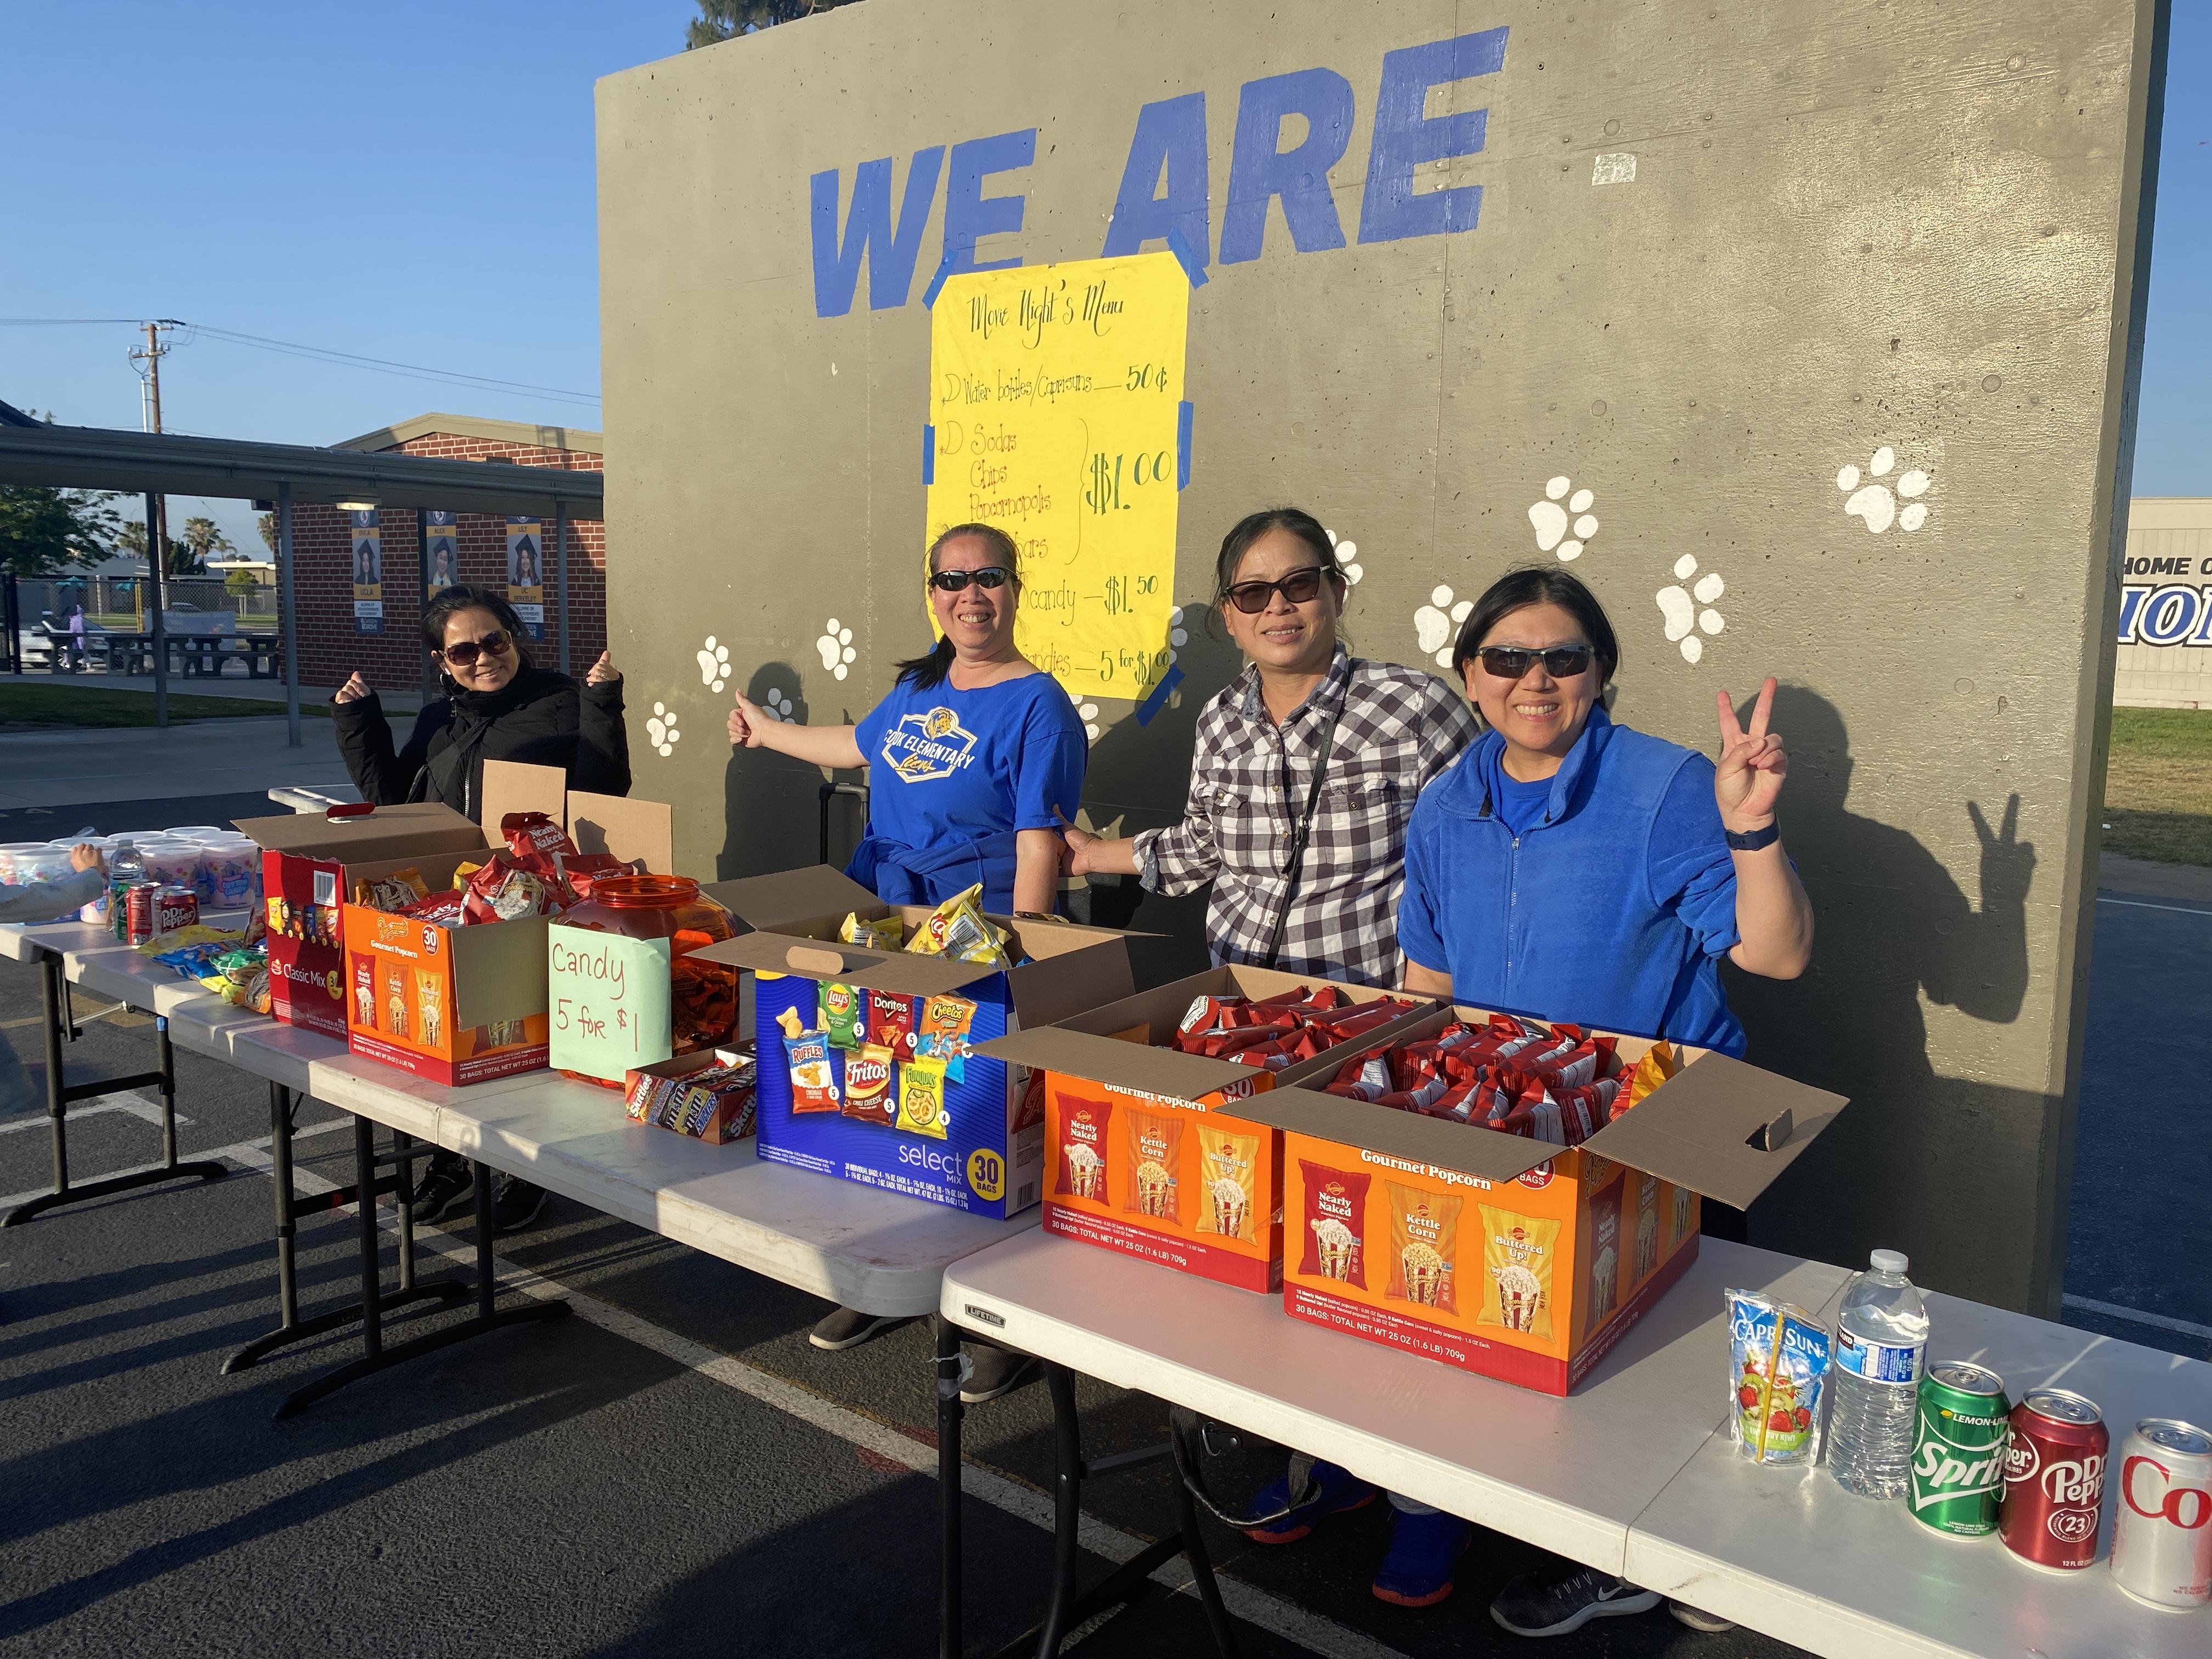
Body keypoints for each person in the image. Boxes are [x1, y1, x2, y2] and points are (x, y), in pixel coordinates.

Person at [1063, 507, 1481, 1607]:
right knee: (1278, 1270)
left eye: (1302, 584)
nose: (1281, 606)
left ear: (1337, 593)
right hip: (1245, 1031)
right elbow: (1204, 846)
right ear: (1228, 615)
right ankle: (1335, 1463)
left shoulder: (1412, 704)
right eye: (1255, 593)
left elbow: (1483, 831)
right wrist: (1100, 853)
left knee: (1387, 1275)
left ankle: (1426, 1508)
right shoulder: (1222, 719)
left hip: (1369, 1036)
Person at [1396, 566, 1812, 1639]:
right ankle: (1511, 1521)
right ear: (1471, 679)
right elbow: (1429, 982)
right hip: (1517, 1120)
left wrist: (1753, 831)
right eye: (1509, 659)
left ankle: (1663, 1556)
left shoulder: (1669, 786)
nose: (1537, 679)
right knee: (1528, 1345)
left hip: (1676, 1125)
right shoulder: (1445, 803)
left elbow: (1777, 952)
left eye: (1564, 657)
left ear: (1601, 675)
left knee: (1661, 1367)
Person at [727, 522, 1085, 1395]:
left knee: (979, 1117)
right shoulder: (921, 685)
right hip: (884, 913)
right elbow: (856, 745)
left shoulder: (1040, 702)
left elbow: (1041, 840)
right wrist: (769, 733)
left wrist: (1023, 961)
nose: (971, 594)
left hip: (976, 923)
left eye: (989, 576)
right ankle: (885, 1276)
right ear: (932, 594)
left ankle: (994, 1315)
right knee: (883, 1096)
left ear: (1014, 587)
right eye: (953, 579)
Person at [331, 584, 629, 1234]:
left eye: (493, 641)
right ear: (443, 660)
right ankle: (452, 1163)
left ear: (514, 637)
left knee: (525, 1045)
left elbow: (606, 789)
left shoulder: (560, 702)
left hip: (539, 903)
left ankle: (529, 1173)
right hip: (461, 903)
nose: (483, 658)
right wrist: (359, 720)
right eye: (463, 650)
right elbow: (393, 798)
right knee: (455, 1044)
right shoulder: (441, 719)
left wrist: (604, 701)